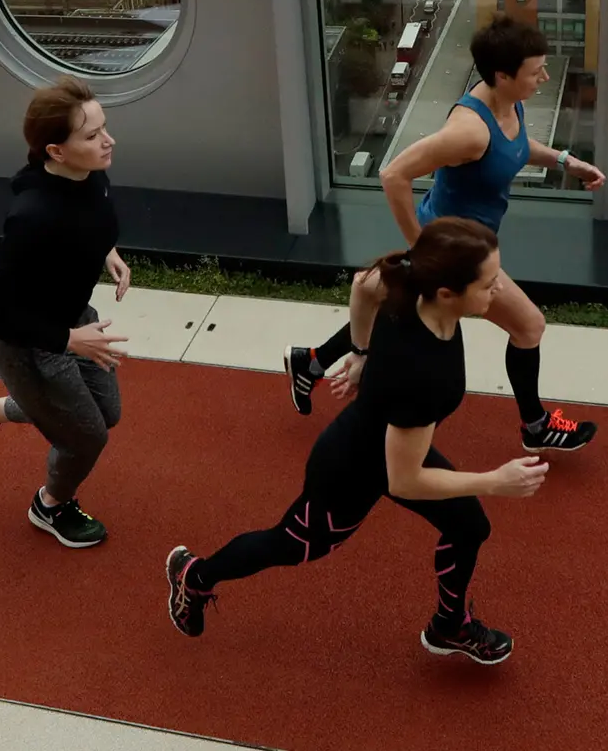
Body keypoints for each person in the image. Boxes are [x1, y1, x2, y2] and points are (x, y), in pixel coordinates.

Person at [166, 218, 546, 663]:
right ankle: (195, 576)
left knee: (469, 526)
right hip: (352, 466)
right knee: (292, 545)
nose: (499, 290)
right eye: (488, 283)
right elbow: (405, 481)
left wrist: (361, 351)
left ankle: (448, 625)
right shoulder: (426, 375)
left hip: (395, 444)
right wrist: (494, 481)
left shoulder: (405, 283)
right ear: (447, 293)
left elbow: (363, 286)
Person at [286, 19, 606, 453]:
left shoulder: (509, 105)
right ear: (502, 75)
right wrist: (422, 248)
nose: (544, 78)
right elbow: (392, 173)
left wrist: (566, 161)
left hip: (466, 246)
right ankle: (534, 426)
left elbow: (515, 146)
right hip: (452, 253)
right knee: (528, 324)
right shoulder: (468, 131)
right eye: (536, 72)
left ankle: (313, 361)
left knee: (394, 307)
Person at [0, 77, 133, 549]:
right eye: (92, 135)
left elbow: (88, 224)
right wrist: (70, 340)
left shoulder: (89, 175)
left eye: (104, 127)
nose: (108, 140)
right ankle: (50, 506)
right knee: (86, 438)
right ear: (56, 150)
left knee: (105, 413)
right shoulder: (33, 217)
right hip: (29, 344)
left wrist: (106, 252)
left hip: (73, 319)